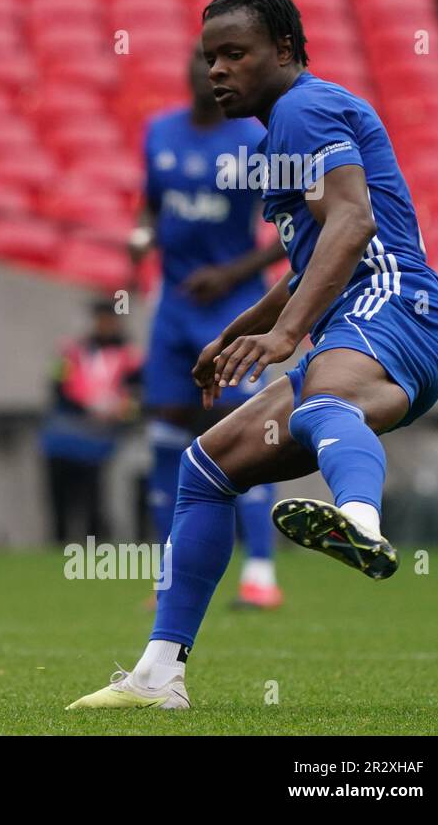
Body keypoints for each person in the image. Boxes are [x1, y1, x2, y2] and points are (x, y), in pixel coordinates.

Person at [69, 0, 438, 709]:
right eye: (210, 56)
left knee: (324, 398)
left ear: (283, 49)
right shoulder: (282, 125)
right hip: (361, 320)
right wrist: (238, 331)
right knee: (207, 466)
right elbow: (313, 261)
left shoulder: (306, 109)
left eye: (235, 54)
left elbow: (352, 225)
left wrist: (283, 335)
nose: (217, 70)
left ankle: (362, 523)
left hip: (396, 306)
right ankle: (158, 674)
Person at [134, 46, 286, 609]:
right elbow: (149, 204)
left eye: (219, 67)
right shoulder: (159, 132)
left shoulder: (253, 142)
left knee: (245, 433)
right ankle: (167, 574)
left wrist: (229, 274)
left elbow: (285, 233)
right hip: (173, 307)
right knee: (164, 433)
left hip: (234, 308)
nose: (208, 76)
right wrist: (142, 234)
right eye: (199, 66)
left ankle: (262, 574)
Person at [40, 300, 141, 541]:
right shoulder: (70, 352)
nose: (105, 325)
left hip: (103, 436)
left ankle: (94, 543)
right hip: (66, 432)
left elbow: (138, 395)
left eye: (110, 320)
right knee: (59, 493)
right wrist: (84, 406)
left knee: (94, 496)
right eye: (100, 319)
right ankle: (59, 542)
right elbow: (55, 385)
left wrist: (122, 413)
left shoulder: (130, 356)